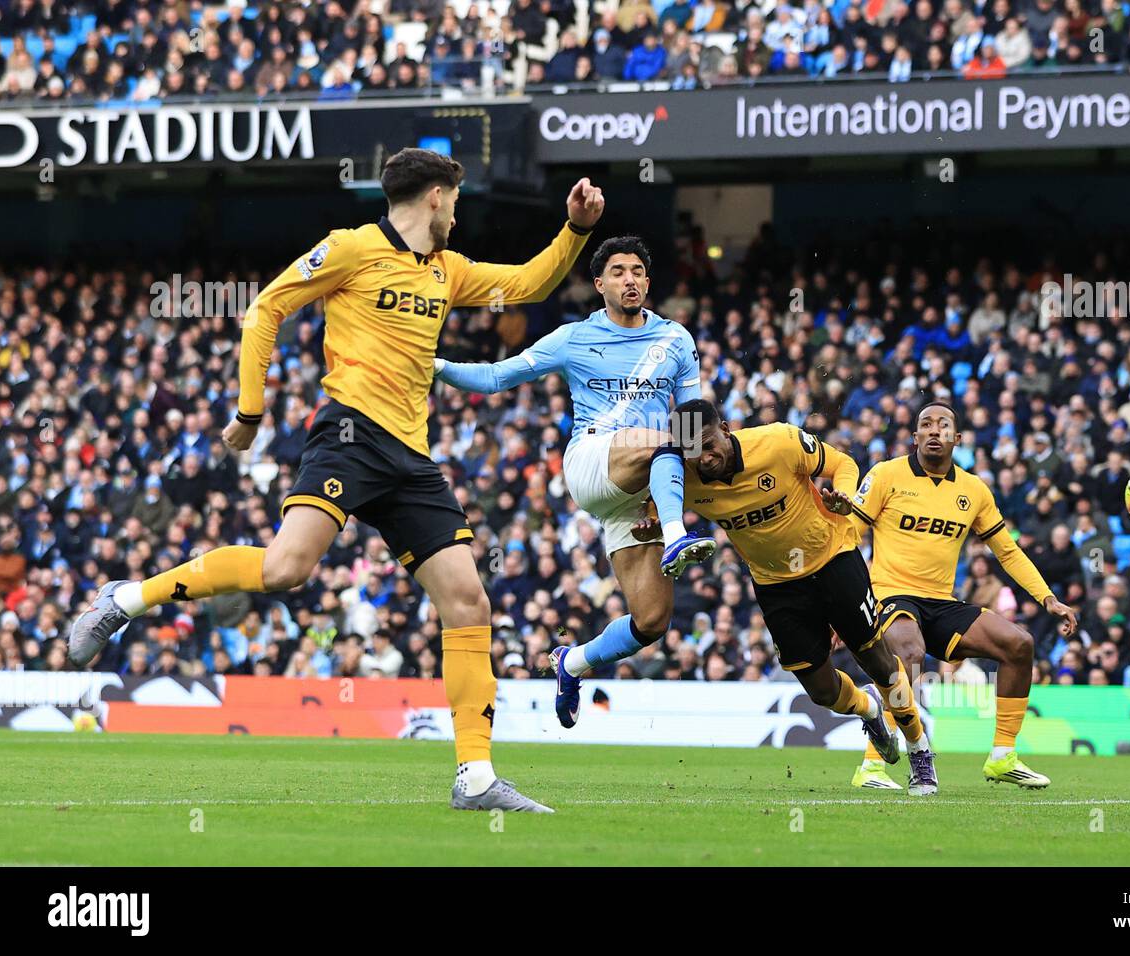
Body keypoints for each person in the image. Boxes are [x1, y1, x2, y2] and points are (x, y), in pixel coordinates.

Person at [68, 148, 607, 814]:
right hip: (349, 437)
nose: (459, 215)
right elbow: (266, 308)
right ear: (435, 197)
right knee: (283, 570)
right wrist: (249, 411)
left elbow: (527, 283)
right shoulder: (349, 249)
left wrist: (575, 230)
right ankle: (126, 599)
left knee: (469, 601)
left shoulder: (450, 269)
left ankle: (474, 778)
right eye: (457, 202)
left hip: (411, 458)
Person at [434, 236, 717, 728]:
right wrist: (434, 366)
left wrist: (669, 492)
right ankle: (676, 538)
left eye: (637, 271)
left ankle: (573, 663)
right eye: (619, 271)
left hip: (643, 482)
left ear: (648, 282)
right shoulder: (572, 338)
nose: (630, 279)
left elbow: (694, 422)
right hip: (592, 459)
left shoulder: (677, 340)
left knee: (651, 621)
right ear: (599, 283)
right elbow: (497, 377)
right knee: (666, 438)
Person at [630, 400, 933, 793]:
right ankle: (870, 709)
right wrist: (651, 523)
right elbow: (657, 507)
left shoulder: (778, 441)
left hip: (833, 558)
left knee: (875, 659)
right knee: (821, 690)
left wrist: (844, 496)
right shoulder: (684, 478)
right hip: (776, 584)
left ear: (724, 427)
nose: (705, 459)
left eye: (709, 444)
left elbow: (842, 463)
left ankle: (918, 747)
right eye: (693, 453)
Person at [849, 400, 1078, 791]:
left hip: (941, 601)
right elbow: (849, 535)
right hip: (890, 594)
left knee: (1019, 644)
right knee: (909, 653)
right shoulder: (886, 474)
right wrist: (842, 603)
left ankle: (1003, 756)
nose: (934, 430)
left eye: (943, 425)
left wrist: (1047, 598)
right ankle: (872, 766)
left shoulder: (973, 490)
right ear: (915, 436)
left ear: (957, 438)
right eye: (926, 424)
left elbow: (1007, 550)